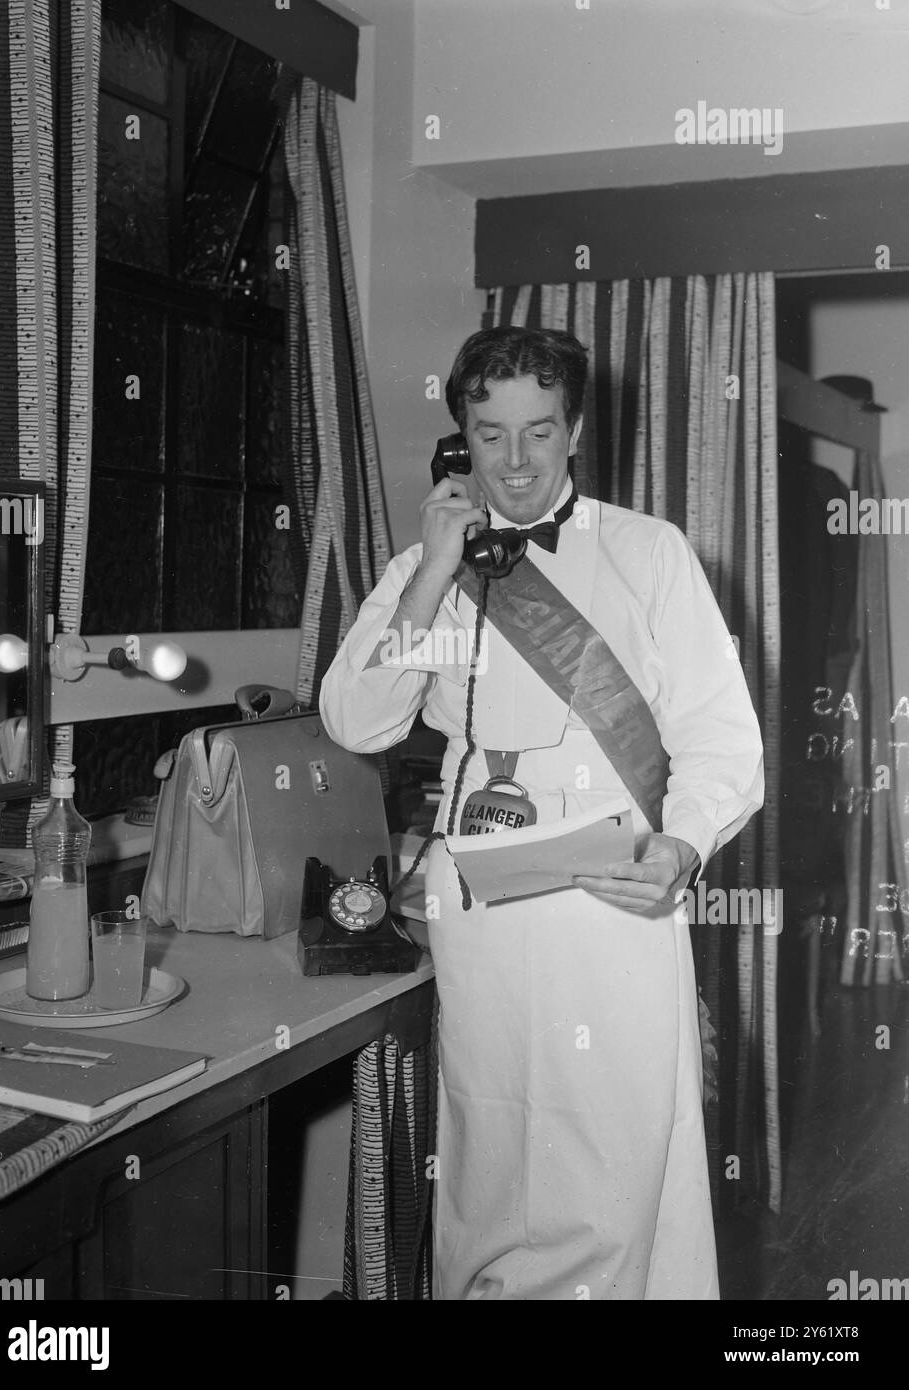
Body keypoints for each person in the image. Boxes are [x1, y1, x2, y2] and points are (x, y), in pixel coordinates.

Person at [318, 326, 764, 1300]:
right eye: (489, 436)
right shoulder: (422, 570)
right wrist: (434, 570)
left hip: (611, 889)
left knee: (612, 1161)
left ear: (575, 432)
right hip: (481, 894)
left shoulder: (649, 557)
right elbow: (357, 718)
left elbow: (724, 740)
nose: (514, 464)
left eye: (537, 434)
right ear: (461, 440)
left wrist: (684, 843)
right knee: (494, 1156)